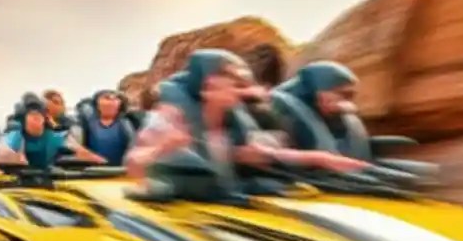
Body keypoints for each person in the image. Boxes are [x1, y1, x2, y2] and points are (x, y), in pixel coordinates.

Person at [124, 49, 367, 180]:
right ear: (208, 86)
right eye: (233, 81)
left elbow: (266, 153)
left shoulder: (234, 123)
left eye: (242, 81)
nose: (242, 88)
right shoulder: (170, 117)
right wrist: (161, 149)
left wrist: (322, 158)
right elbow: (133, 165)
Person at [271, 60, 374, 161]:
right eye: (343, 94)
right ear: (317, 91)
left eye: (350, 96)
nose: (346, 102)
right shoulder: (283, 109)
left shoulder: (339, 118)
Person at [0, 94, 105, 169]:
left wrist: (103, 164)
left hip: (47, 179)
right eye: (31, 114)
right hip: (18, 182)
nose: (36, 118)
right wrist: (15, 158)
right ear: (23, 119)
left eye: (39, 114)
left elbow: (83, 153)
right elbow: (3, 154)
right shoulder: (14, 136)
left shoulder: (56, 136)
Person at [80, 89, 135, 166]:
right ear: (97, 104)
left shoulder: (125, 123)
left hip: (120, 170)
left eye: (115, 99)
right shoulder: (88, 124)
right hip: (93, 170)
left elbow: (132, 147)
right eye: (107, 98)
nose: (111, 101)